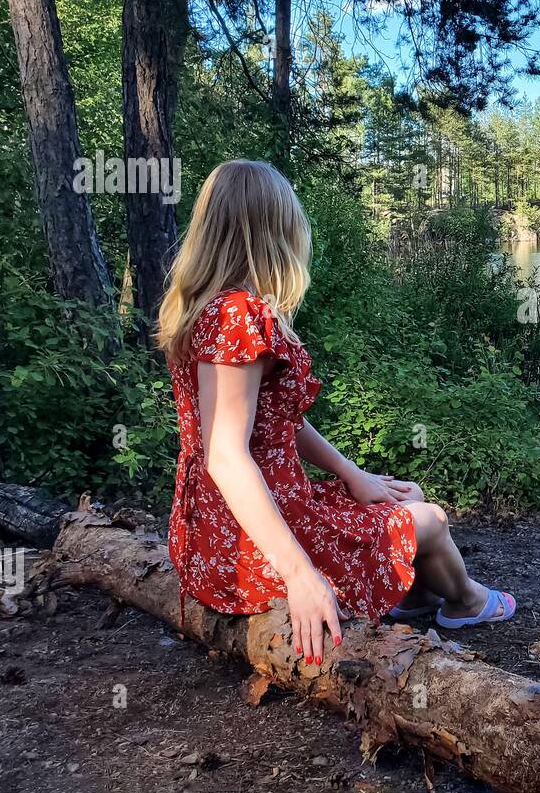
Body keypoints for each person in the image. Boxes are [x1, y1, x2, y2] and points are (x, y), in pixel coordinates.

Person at [155, 160, 515, 666]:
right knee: (429, 517)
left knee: (392, 498)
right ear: (274, 232)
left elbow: (274, 421)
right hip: (247, 545)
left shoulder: (202, 309)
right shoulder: (239, 316)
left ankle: (411, 597)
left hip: (213, 536)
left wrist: (351, 472)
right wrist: (301, 576)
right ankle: (466, 602)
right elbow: (226, 456)